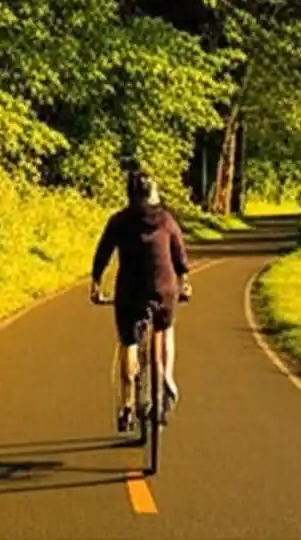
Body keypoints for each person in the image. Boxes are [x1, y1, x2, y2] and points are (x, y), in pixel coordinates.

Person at [90, 169, 191, 431]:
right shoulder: (166, 220)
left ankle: (127, 404)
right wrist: (184, 281)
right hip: (163, 288)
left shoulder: (119, 221)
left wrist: (96, 283)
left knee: (129, 341)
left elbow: (103, 253)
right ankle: (167, 376)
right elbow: (179, 254)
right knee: (165, 328)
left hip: (130, 292)